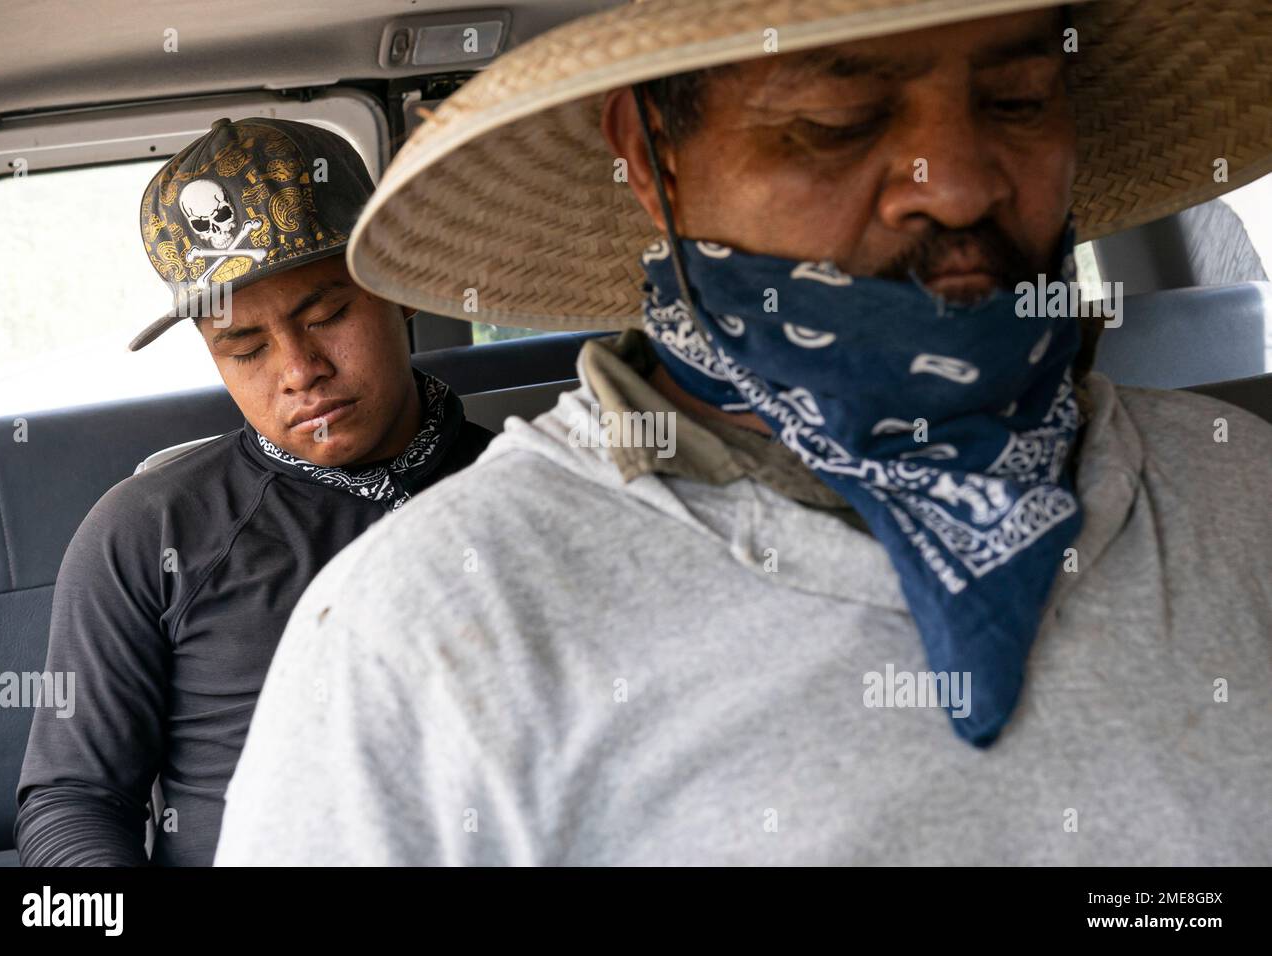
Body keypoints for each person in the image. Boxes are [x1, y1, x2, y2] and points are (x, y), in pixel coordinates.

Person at [216, 1, 1272, 865]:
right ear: (651, 154)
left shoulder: (1240, 490)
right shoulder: (426, 630)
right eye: (839, 121)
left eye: (1016, 99)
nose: (955, 180)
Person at [15, 117, 493, 866]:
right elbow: (72, 803)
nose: (299, 370)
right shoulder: (149, 533)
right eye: (245, 348)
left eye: (328, 315)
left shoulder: (529, 497)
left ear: (399, 286)